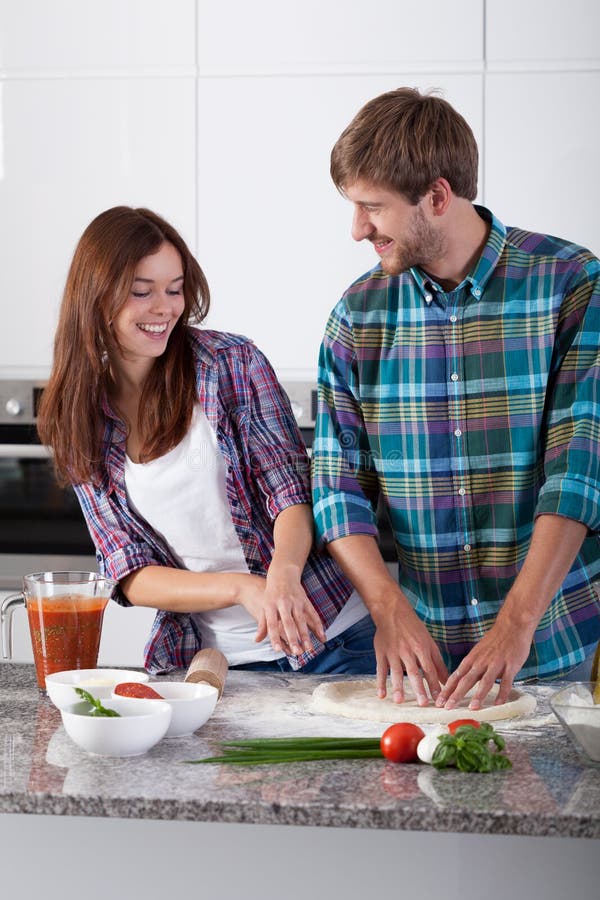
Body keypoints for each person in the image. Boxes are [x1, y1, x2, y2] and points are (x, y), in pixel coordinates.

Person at [312, 87, 600, 711]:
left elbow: (577, 475)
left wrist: (516, 625)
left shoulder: (570, 285)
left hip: (552, 649)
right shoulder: (356, 316)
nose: (358, 229)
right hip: (428, 662)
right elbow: (337, 489)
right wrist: (387, 607)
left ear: (437, 197)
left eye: (372, 207)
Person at [37, 206, 375, 676]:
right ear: (95, 297)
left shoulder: (229, 364)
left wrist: (282, 572)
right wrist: (241, 588)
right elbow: (128, 571)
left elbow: (291, 492)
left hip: (335, 637)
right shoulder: (78, 415)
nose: (165, 308)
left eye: (174, 289)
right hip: (217, 664)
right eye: (142, 291)